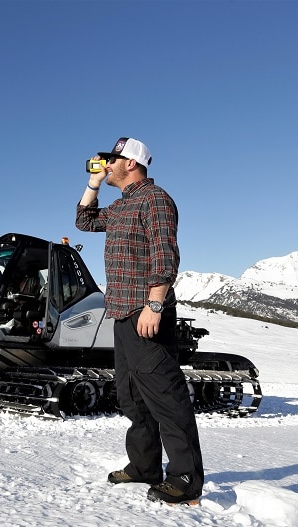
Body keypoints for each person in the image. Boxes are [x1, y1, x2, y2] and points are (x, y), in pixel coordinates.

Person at [75, 137, 204, 505]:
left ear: (131, 163)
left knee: (166, 396)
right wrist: (93, 183)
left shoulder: (156, 199)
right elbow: (84, 221)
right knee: (133, 399)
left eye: (111, 159)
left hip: (146, 311)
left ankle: (185, 479)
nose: (105, 163)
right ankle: (145, 466)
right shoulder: (121, 206)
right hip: (121, 313)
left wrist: (156, 303)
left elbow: (165, 253)